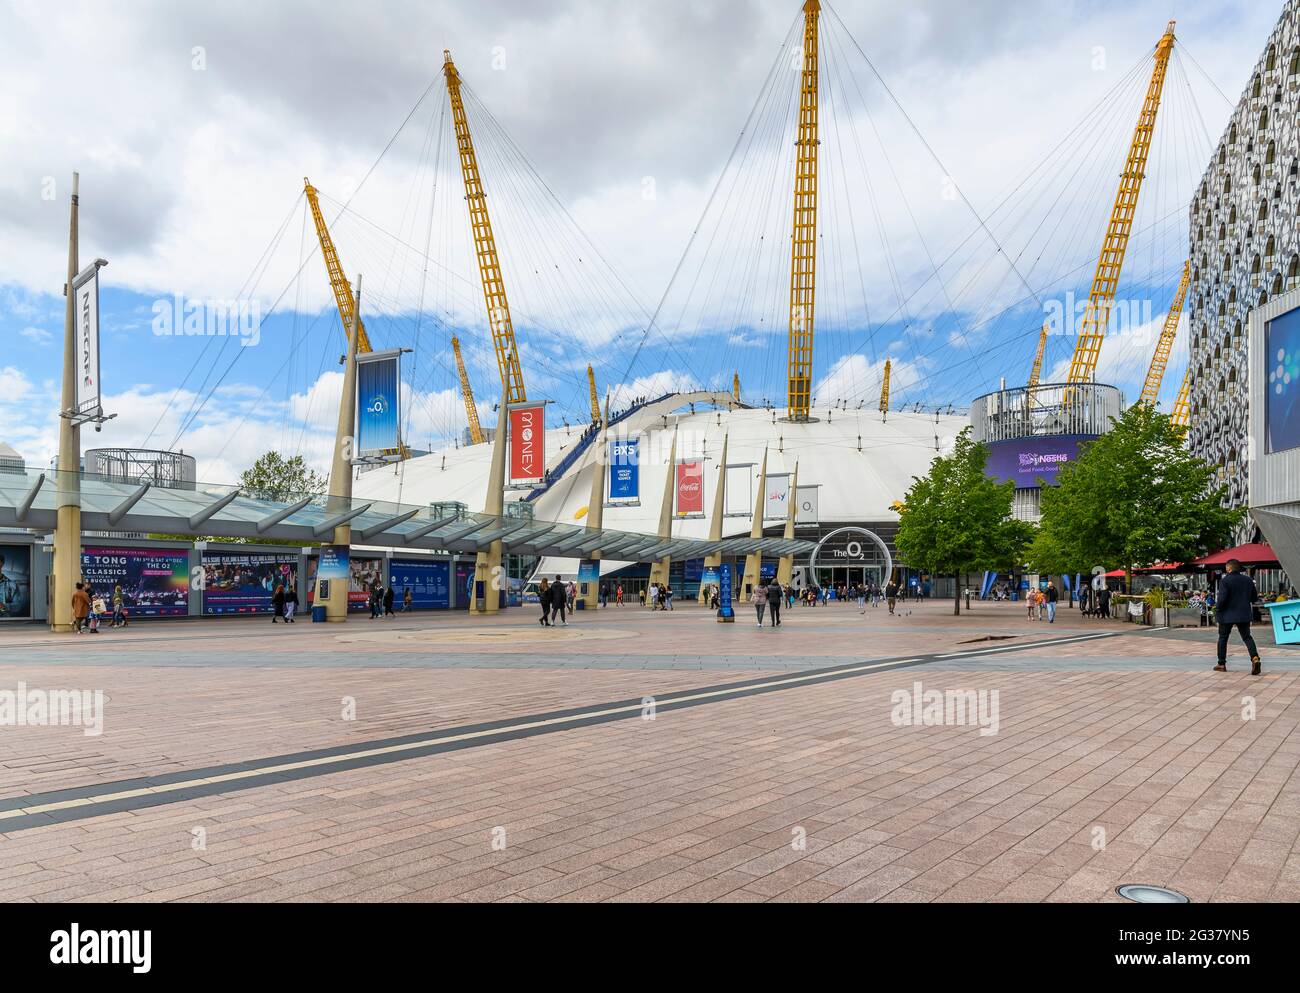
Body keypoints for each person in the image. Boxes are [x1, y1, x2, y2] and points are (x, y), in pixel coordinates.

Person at [1215, 559, 1261, 675]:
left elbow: (1222, 599)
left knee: (1223, 638)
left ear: (1229, 568)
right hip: (1243, 614)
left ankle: (1221, 664)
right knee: (1247, 637)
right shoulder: (1248, 580)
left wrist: (1218, 608)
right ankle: (1255, 658)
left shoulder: (1225, 581)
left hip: (1226, 615)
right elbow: (1254, 598)